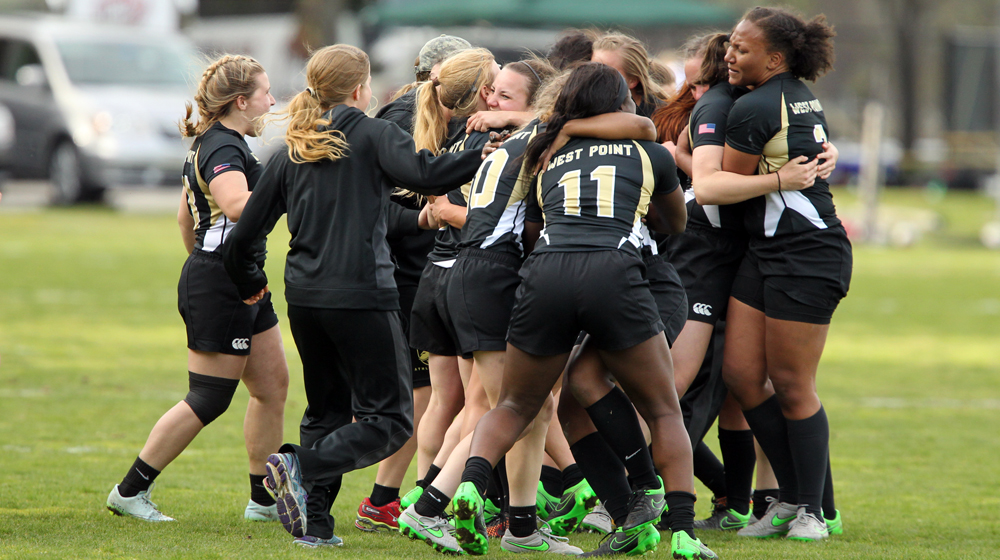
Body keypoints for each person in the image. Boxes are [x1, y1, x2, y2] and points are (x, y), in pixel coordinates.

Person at [221, 44, 486, 548]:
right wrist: (483, 152)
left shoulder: (291, 148)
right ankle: (298, 464)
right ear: (361, 89)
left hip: (304, 298)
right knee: (389, 420)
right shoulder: (373, 133)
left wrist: (251, 282)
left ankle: (316, 525)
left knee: (326, 412)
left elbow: (243, 239)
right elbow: (428, 176)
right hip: (362, 295)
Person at [448, 63, 716, 560]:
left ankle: (468, 489)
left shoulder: (543, 150)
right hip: (615, 273)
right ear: (620, 101)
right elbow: (676, 223)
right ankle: (683, 532)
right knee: (662, 409)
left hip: (546, 272)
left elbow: (531, 232)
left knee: (513, 404)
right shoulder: (649, 151)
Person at [105, 54, 288, 524]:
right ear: (241, 101)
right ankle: (130, 490)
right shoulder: (223, 147)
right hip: (224, 281)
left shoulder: (218, 142)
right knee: (209, 397)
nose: (272, 100)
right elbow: (233, 205)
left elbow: (187, 217)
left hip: (239, 276)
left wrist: (207, 261)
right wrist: (289, 193)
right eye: (265, 92)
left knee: (271, 387)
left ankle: (262, 502)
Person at [692, 6, 848, 542]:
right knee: (740, 375)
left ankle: (814, 510)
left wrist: (776, 179)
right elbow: (807, 152)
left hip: (807, 254)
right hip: (767, 252)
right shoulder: (793, 92)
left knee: (792, 384)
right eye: (731, 44)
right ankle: (789, 496)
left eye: (741, 48)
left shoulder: (755, 106)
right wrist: (786, 174)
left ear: (775, 58)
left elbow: (720, 188)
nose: (728, 55)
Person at [355, 33, 472, 534]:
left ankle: (406, 498)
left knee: (439, 396)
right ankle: (392, 500)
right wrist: (427, 222)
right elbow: (383, 208)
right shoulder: (403, 119)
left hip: (426, 269)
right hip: (410, 272)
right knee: (425, 396)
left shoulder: (430, 115)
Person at [591, 33, 669, 118]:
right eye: (591, 68)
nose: (595, 78)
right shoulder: (583, 107)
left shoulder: (663, 118)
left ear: (633, 80)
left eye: (607, 72)